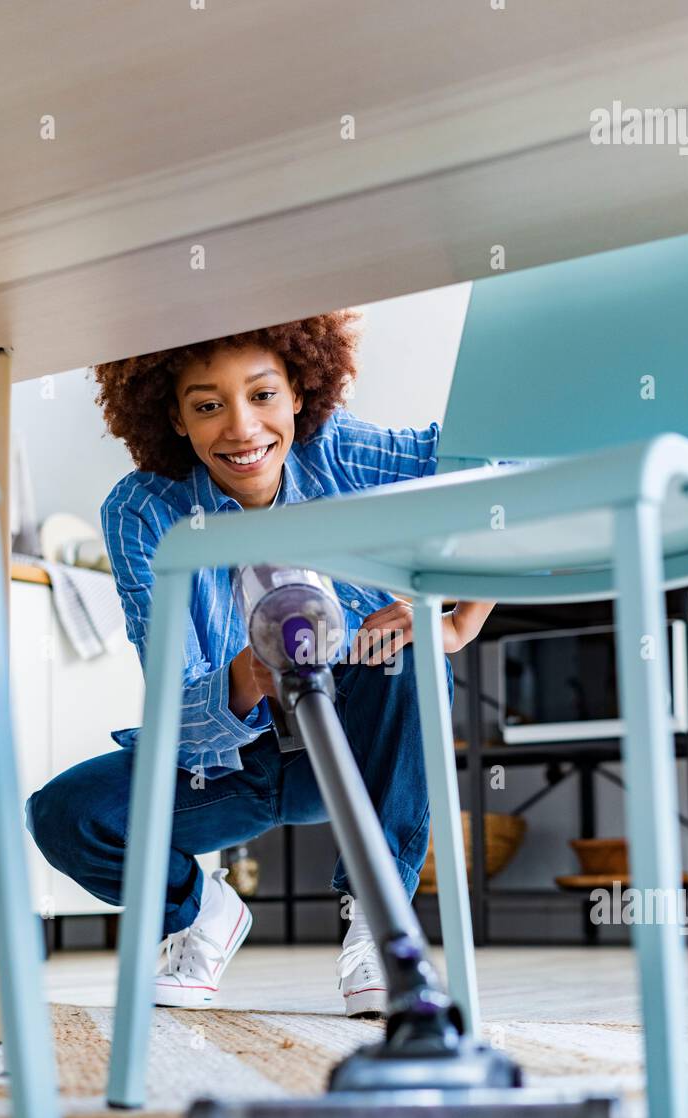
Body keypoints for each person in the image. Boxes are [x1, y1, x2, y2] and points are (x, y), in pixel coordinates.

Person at [25, 311, 493, 1017]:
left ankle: (381, 923)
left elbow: (492, 473)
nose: (241, 428)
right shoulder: (145, 511)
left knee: (407, 650)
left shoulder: (337, 451)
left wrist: (460, 621)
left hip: (347, 742)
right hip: (227, 765)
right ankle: (202, 915)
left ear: (301, 393)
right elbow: (175, 710)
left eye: (263, 395)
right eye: (208, 405)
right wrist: (249, 675)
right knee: (64, 816)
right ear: (176, 419)